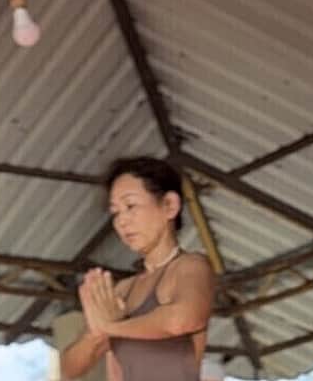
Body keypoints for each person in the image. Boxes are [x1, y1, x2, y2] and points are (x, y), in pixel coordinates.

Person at [60, 157, 216, 381]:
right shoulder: (124, 290)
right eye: (115, 212)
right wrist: (96, 334)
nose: (122, 221)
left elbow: (180, 320)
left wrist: (111, 327)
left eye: (130, 206)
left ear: (170, 205)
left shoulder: (191, 266)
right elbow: (69, 369)